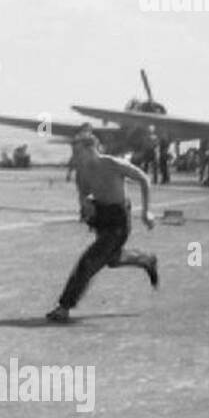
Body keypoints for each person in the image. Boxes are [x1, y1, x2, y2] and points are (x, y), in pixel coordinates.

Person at [46, 130, 158, 323]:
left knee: (88, 262)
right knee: (112, 259)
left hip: (118, 220)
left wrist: (146, 211)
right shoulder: (82, 172)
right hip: (101, 219)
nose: (75, 156)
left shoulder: (112, 164)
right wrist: (85, 207)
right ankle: (146, 260)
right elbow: (83, 193)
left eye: (78, 151)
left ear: (91, 149)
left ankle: (64, 307)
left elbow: (143, 179)